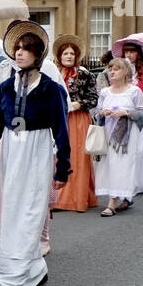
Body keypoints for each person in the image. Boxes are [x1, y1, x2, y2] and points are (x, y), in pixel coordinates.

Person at [0, 21, 70, 286]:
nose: (20, 54)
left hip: (37, 150)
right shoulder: (6, 88)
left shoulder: (51, 90)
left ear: (38, 54)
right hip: (11, 150)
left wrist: (62, 168)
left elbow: (61, 129)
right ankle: (31, 270)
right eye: (17, 49)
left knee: (32, 211)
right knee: (11, 212)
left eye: (26, 49)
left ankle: (16, 282)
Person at [94, 57, 143, 215]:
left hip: (127, 136)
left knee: (122, 166)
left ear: (125, 72)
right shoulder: (105, 92)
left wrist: (125, 112)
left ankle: (111, 203)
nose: (112, 72)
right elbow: (97, 112)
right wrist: (103, 113)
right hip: (108, 133)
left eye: (116, 69)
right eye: (110, 69)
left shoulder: (134, 91)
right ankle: (125, 197)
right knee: (109, 165)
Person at [51, 35, 97, 212]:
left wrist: (78, 104)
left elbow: (94, 98)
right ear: (60, 56)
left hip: (78, 119)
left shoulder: (85, 73)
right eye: (65, 53)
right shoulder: (54, 73)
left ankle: (78, 199)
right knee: (58, 157)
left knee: (77, 158)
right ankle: (59, 198)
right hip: (59, 118)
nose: (69, 56)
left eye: (72, 53)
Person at [112, 37, 143, 194]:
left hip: (142, 112)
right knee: (125, 146)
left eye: (132, 52)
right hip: (123, 111)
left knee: (142, 146)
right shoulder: (122, 71)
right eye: (126, 52)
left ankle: (140, 181)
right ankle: (126, 181)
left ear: (139, 54)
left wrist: (134, 93)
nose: (129, 55)